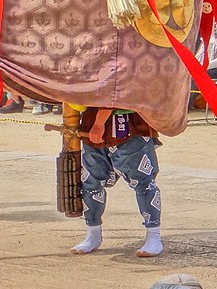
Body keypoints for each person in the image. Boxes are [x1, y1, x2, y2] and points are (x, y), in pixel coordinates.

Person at [70, 105, 163, 258]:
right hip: (91, 123)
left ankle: (154, 235)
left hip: (128, 124)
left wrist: (100, 123)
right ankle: (93, 235)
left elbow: (117, 91)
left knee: (143, 183)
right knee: (90, 183)